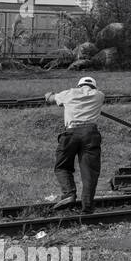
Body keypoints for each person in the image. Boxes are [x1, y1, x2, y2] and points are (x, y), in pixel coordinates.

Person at [44, 76, 105, 213]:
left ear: (79, 85)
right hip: (90, 134)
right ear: (94, 86)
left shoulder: (68, 93)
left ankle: (69, 194)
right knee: (90, 172)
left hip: (71, 133)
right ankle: (87, 206)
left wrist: (49, 95)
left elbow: (51, 99)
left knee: (62, 167)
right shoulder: (99, 95)